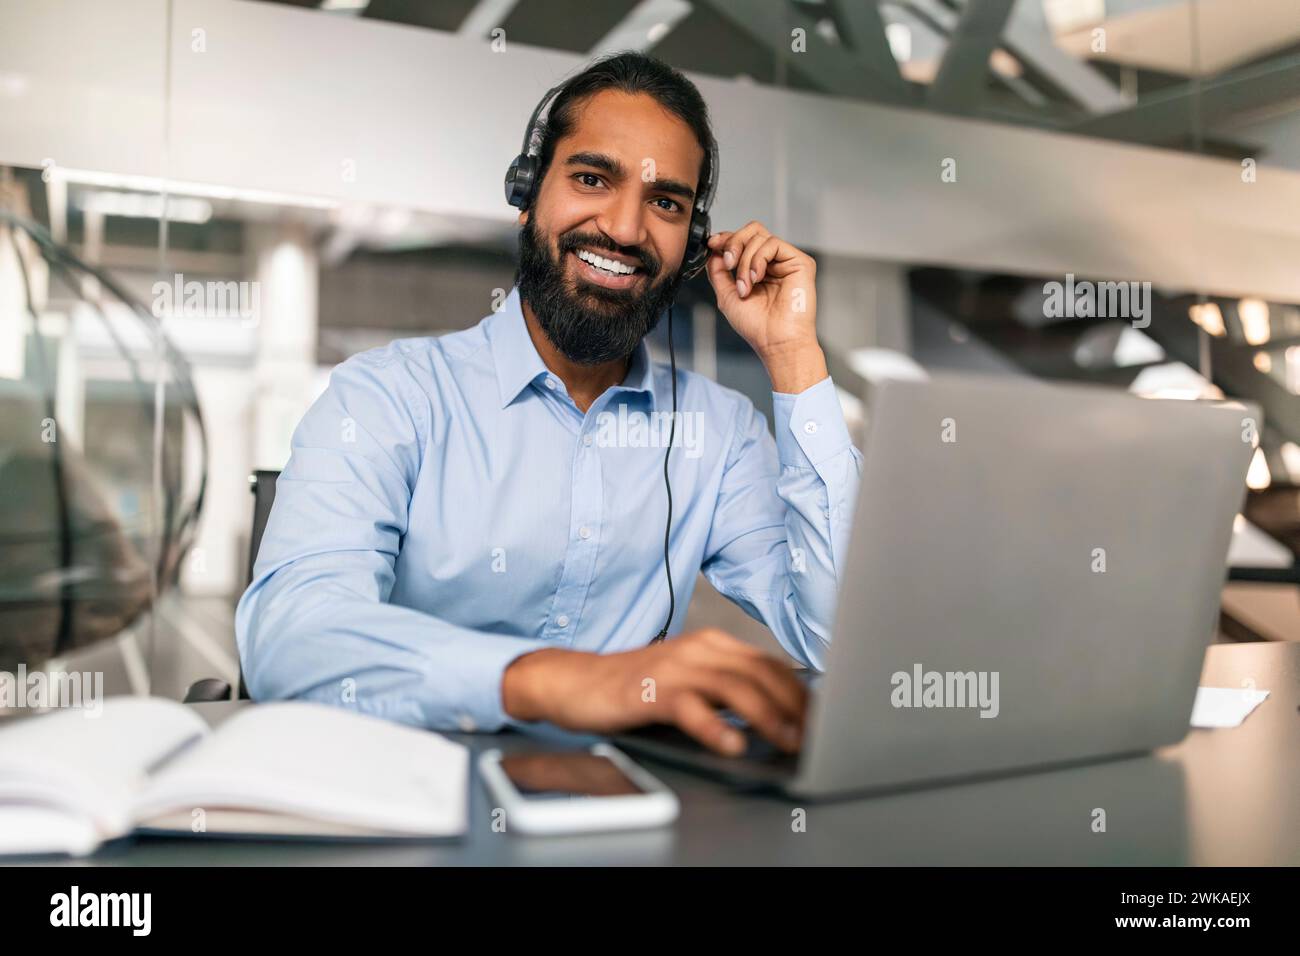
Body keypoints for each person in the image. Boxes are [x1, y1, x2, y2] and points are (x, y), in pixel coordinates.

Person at [235, 52, 862, 756]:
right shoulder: (385, 399)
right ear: (529, 194)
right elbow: (290, 637)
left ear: (692, 243)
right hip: (408, 796)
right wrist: (550, 683)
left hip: (627, 809)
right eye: (593, 179)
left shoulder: (719, 436)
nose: (625, 230)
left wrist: (792, 356)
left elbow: (839, 637)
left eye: (666, 203)